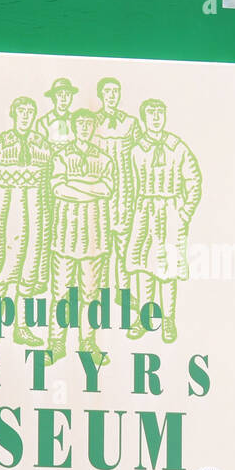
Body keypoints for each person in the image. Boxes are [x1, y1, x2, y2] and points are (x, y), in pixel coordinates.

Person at [0, 95, 54, 348]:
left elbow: (51, 182)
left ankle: (21, 327)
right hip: (5, 218)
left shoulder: (43, 146)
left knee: (27, 275)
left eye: (30, 112)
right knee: (0, 274)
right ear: (13, 114)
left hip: (35, 219)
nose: (25, 116)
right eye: (21, 111)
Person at [125, 98, 202, 343]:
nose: (156, 117)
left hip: (169, 211)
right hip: (143, 211)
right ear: (144, 117)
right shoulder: (136, 149)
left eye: (160, 112)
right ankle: (146, 318)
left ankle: (168, 320)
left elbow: (193, 180)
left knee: (167, 270)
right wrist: (126, 217)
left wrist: (184, 212)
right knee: (143, 268)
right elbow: (128, 186)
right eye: (151, 113)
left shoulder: (177, 147)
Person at [46, 109, 115, 365]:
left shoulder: (105, 159)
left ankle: (88, 344)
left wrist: (76, 185)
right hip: (65, 236)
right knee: (61, 294)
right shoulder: (61, 157)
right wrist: (91, 188)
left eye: (88, 123)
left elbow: (107, 189)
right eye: (80, 123)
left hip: (94, 237)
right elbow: (58, 188)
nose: (85, 127)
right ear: (74, 126)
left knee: (90, 295)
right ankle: (56, 344)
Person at [92, 77, 139, 302]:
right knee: (101, 246)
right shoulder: (91, 122)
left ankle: (124, 293)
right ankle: (99, 293)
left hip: (124, 192)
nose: (112, 95)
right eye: (108, 91)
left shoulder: (130, 123)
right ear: (100, 95)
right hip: (100, 194)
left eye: (115, 91)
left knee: (123, 246)